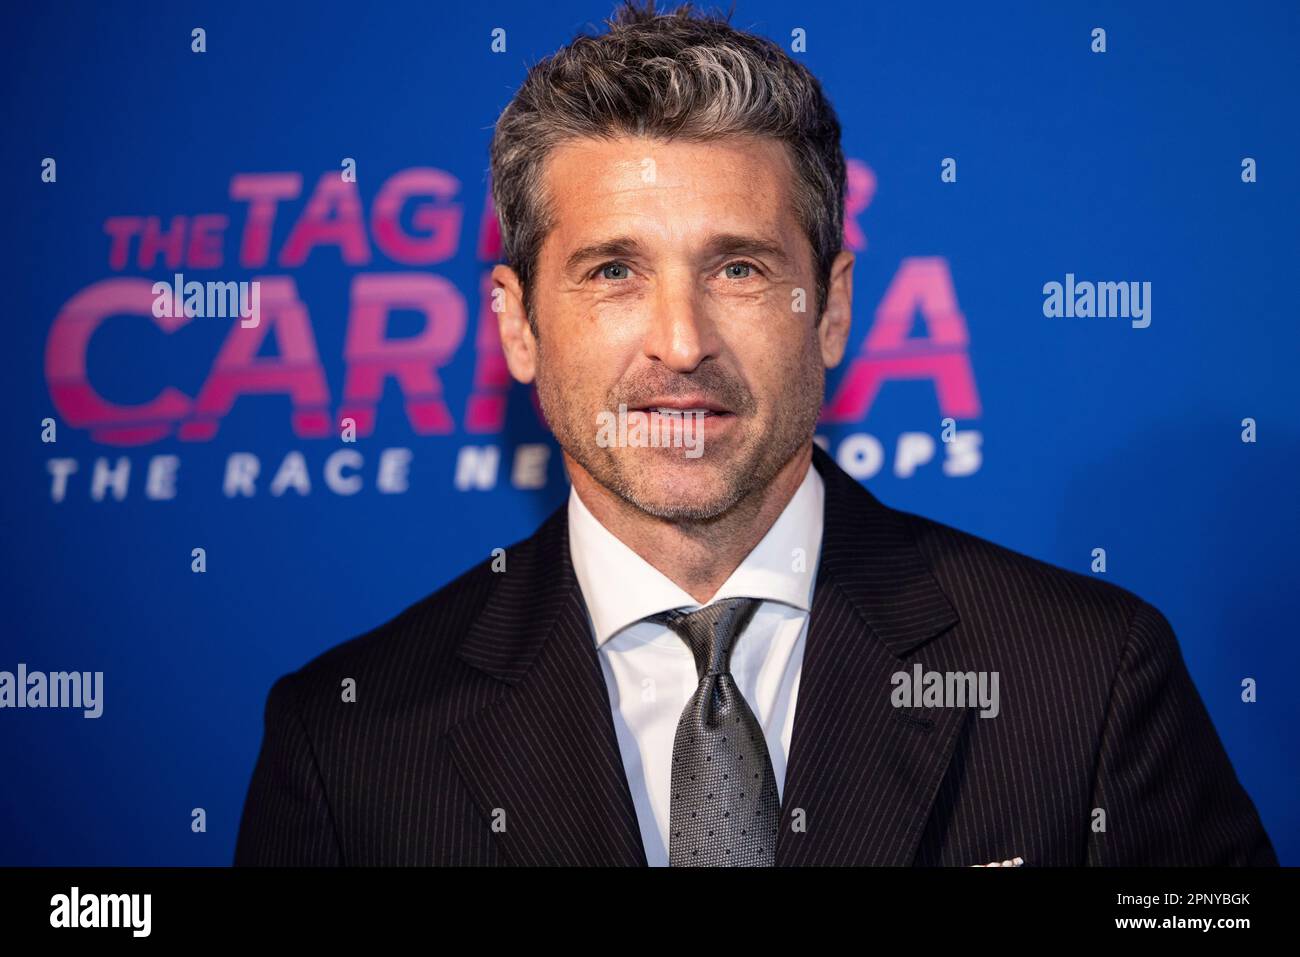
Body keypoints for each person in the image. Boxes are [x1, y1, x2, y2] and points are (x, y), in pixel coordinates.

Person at [234, 0, 1277, 867]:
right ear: (517, 325)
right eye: (613, 272)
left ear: (828, 311)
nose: (681, 343)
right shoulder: (350, 740)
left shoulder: (1086, 680)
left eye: (739, 269)